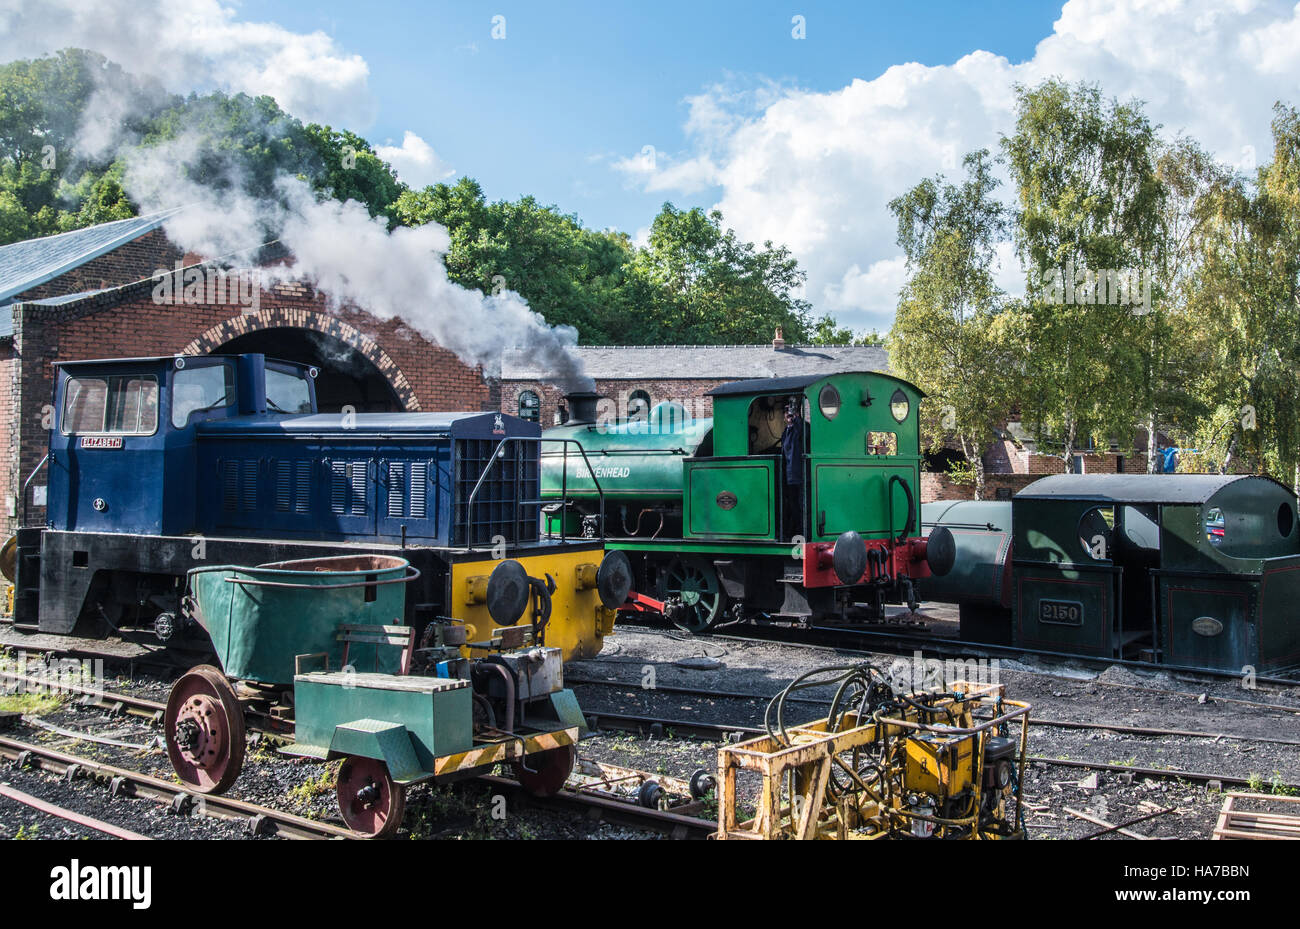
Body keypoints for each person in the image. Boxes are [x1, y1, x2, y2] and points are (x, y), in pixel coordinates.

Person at [780, 398, 804, 540]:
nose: (788, 415)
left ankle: (801, 531)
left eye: (790, 412)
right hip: (788, 475)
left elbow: (803, 431)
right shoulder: (786, 431)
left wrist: (796, 418)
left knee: (800, 505)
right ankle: (793, 530)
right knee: (792, 504)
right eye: (786, 412)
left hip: (799, 474)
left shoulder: (799, 428)